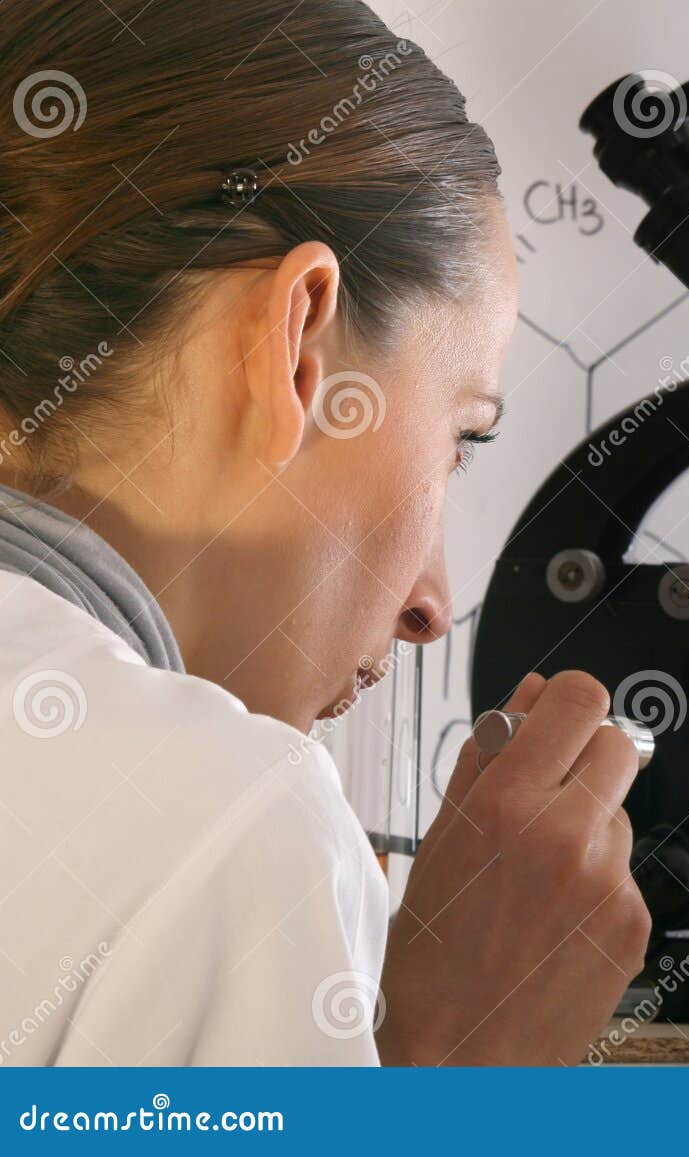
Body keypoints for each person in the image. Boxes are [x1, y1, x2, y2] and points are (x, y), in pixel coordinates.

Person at [0, 0, 650, 1065]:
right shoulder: (223, 822)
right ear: (298, 346)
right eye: (459, 439)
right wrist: (457, 1056)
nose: (431, 606)